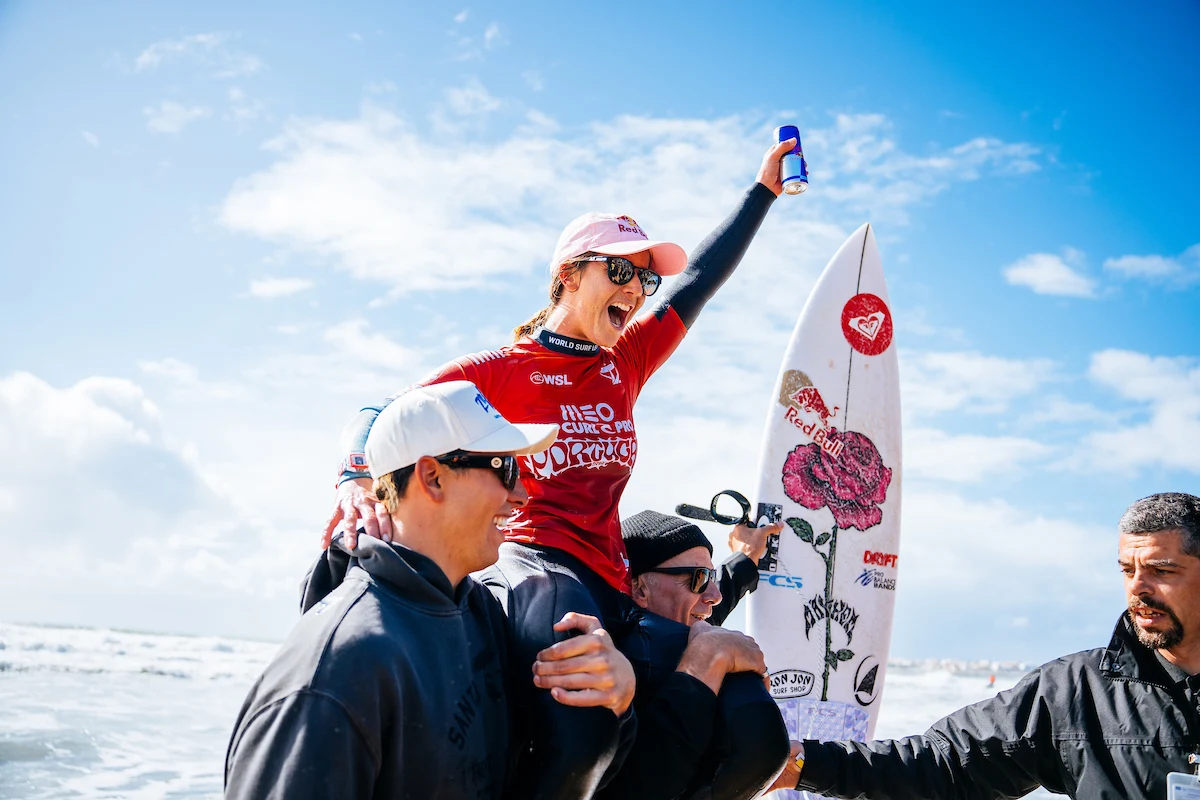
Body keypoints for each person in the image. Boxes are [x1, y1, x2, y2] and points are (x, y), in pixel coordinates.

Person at [322, 137, 799, 797]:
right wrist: (352, 476)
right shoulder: (502, 371)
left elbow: (698, 282)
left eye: (645, 278)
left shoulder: (624, 364)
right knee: (584, 733)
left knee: (758, 735)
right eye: (621, 271)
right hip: (541, 568)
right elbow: (386, 413)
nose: (637, 290)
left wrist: (763, 192)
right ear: (569, 274)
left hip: (612, 584)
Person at [225, 382, 636, 800]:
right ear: (432, 477)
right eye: (506, 470)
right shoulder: (337, 669)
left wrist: (614, 703)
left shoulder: (481, 616)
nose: (522, 496)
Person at [775, 492, 1200, 800]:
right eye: (1128, 570)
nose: (1138, 588)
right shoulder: (1077, 691)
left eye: (1162, 570)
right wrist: (799, 763)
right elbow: (943, 765)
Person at [593, 510, 789, 800]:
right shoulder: (607, 660)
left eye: (710, 575)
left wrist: (745, 558)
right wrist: (705, 663)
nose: (714, 594)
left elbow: (699, 607)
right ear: (638, 588)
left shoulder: (676, 621)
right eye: (699, 578)